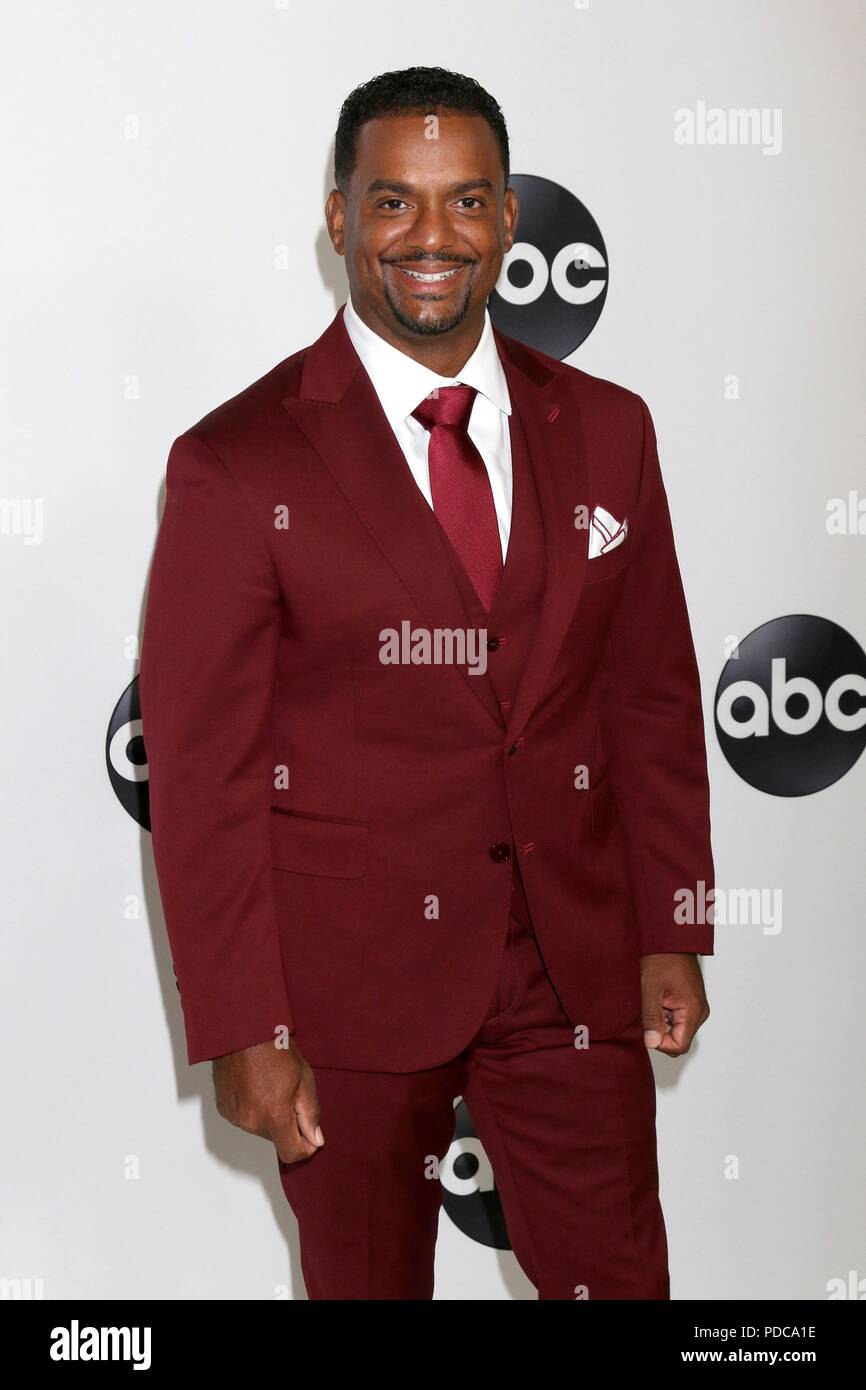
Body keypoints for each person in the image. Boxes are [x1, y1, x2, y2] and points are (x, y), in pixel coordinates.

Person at [140, 65, 714, 1300]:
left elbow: (652, 695)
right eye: (393, 202)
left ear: (510, 217)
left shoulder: (609, 429)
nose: (431, 237)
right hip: (343, 986)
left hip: (568, 959)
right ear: (339, 219)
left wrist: (671, 922)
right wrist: (246, 1026)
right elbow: (203, 775)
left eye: (464, 203)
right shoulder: (234, 462)